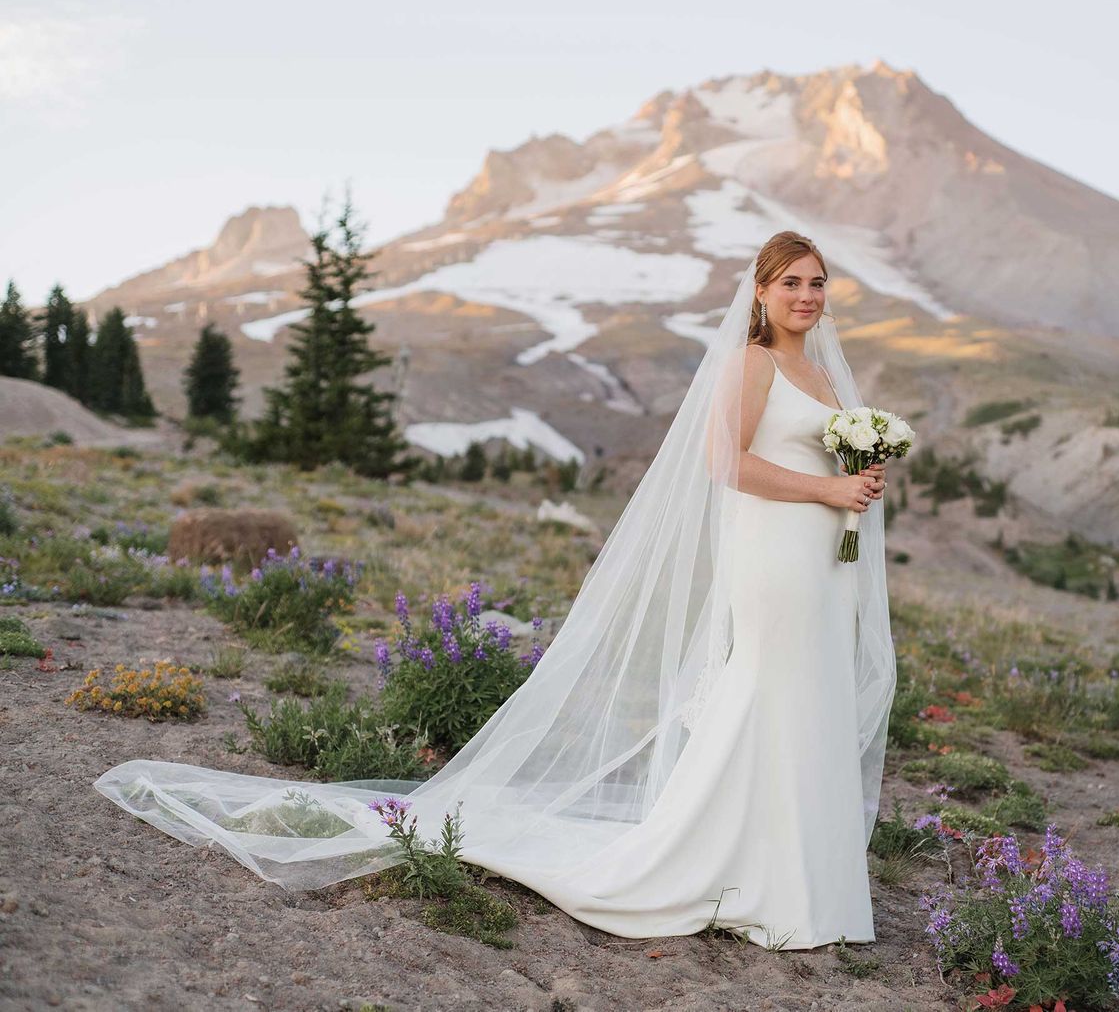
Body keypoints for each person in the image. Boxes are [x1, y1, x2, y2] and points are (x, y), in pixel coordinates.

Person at [94, 230, 898, 950]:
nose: (806, 296)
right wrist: (828, 493)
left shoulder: (822, 372)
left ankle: (799, 875)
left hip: (819, 558)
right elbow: (726, 464)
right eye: (791, 282)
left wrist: (856, 479)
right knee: (769, 692)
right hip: (773, 559)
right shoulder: (750, 361)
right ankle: (744, 868)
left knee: (808, 698)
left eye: (818, 282)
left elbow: (819, 460)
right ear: (759, 291)